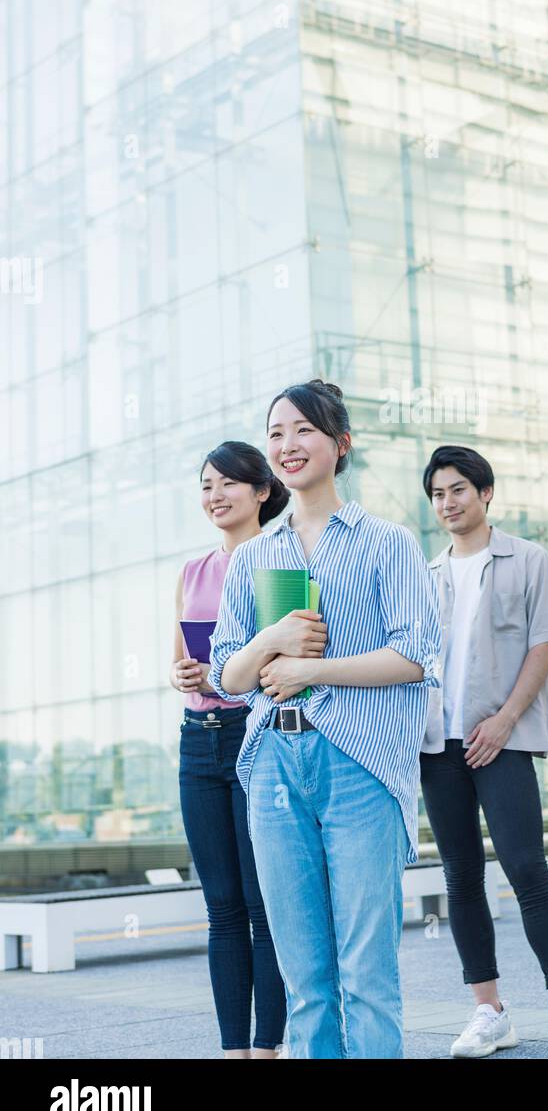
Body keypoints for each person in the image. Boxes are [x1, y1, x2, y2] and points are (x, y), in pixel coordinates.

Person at [207, 379, 441, 1060]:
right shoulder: (252, 557)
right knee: (304, 979)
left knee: (366, 972)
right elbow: (227, 674)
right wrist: (272, 638)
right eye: (276, 433)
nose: (287, 445)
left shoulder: (389, 543)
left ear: (341, 444)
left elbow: (414, 656)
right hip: (275, 765)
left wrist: (311, 669)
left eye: (303, 430)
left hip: (360, 762)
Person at [419, 445, 548, 1059]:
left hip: (501, 741)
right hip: (438, 744)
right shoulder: (426, 576)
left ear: (485, 494)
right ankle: (488, 1010)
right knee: (460, 876)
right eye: (437, 494)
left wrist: (505, 721)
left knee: (528, 869)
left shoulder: (527, 559)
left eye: (458, 490)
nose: (447, 503)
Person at [171, 440, 289, 1058]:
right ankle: (234, 1052)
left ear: (263, 492)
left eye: (228, 484)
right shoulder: (192, 572)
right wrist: (184, 677)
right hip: (199, 745)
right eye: (206, 485)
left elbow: (292, 659)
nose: (214, 496)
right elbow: (177, 664)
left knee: (261, 904)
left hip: (257, 736)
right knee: (221, 909)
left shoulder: (279, 564)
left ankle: (268, 1048)